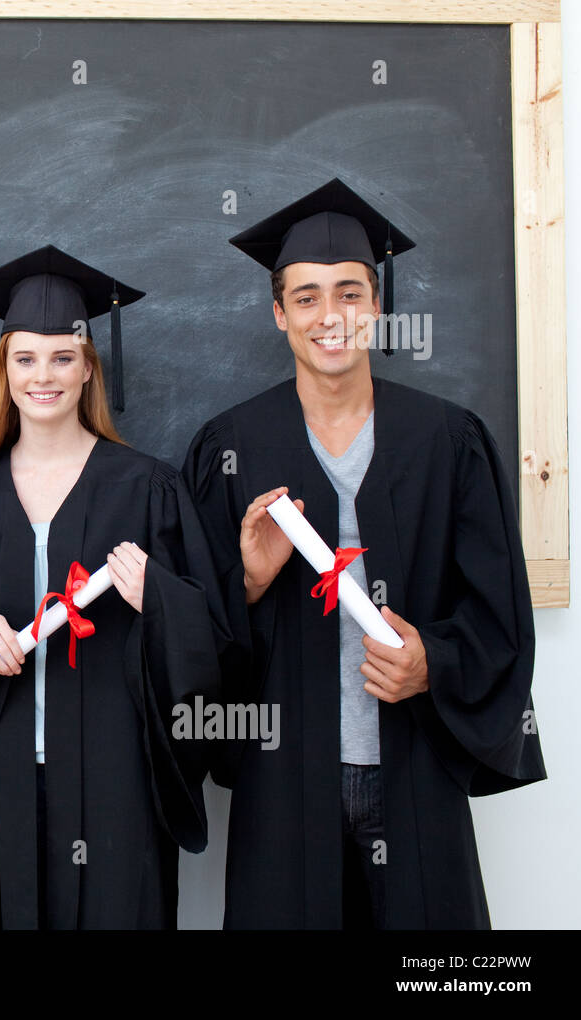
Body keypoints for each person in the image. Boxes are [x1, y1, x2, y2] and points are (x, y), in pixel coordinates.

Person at [182, 178, 546, 928]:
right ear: (279, 313)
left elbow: (498, 613)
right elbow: (184, 631)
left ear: (377, 307)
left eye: (349, 293)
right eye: (307, 297)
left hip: (413, 766)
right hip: (283, 778)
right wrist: (246, 583)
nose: (330, 316)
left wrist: (433, 663)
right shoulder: (232, 448)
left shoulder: (448, 442)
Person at [0, 245, 226, 929]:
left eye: (61, 357)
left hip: (117, 771)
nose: (42, 375)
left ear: (87, 368)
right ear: (5, 371)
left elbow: (214, 634)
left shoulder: (149, 487)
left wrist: (157, 599)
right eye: (25, 359)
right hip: (5, 769)